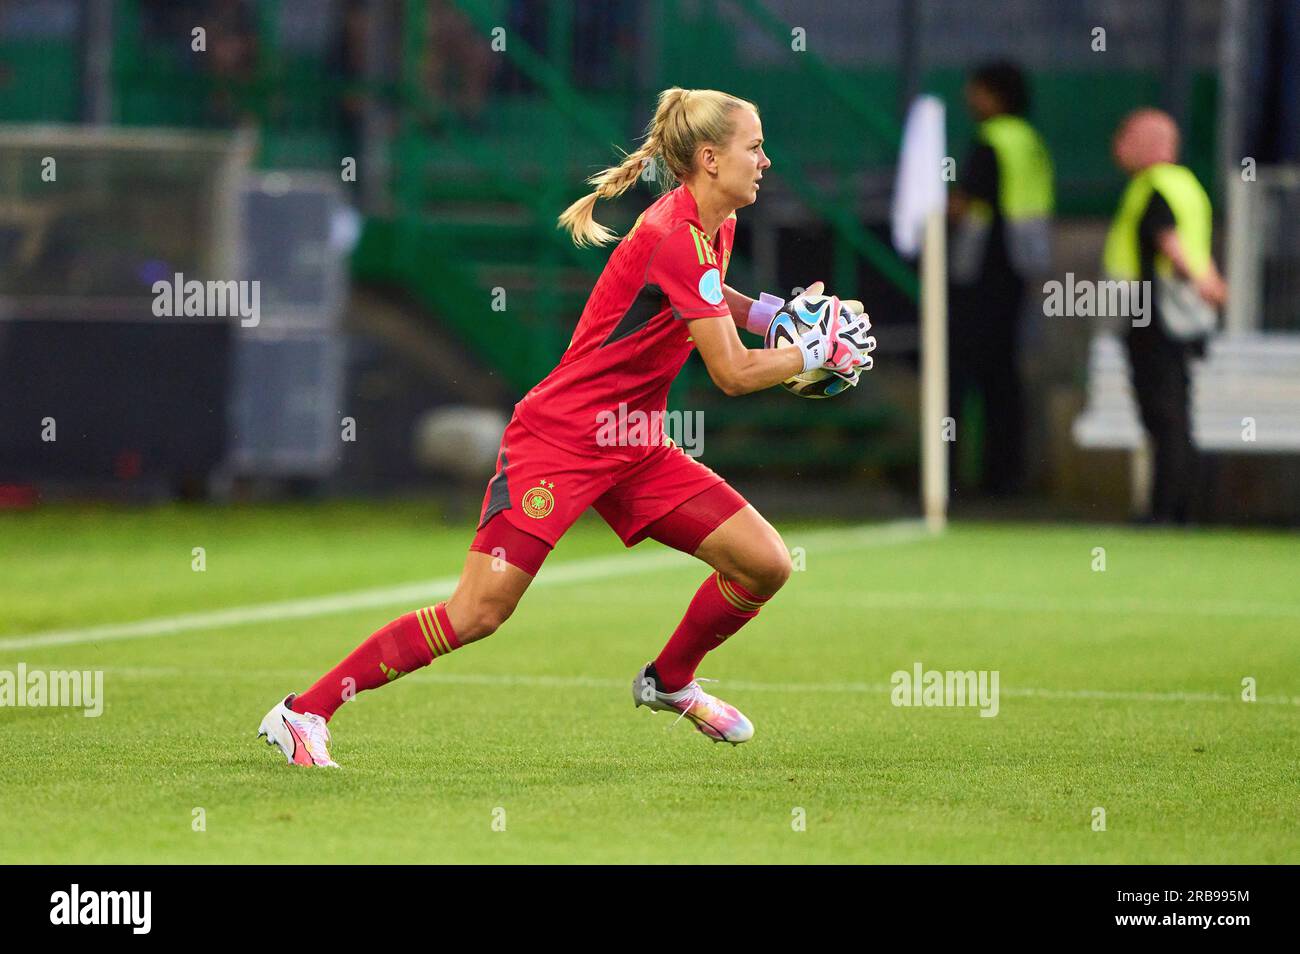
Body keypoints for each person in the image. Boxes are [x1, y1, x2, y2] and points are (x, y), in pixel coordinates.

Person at [258, 87, 875, 766]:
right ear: (709, 158)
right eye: (753, 147)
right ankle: (304, 712)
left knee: (764, 565)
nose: (765, 160)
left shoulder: (713, 223)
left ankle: (669, 682)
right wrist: (813, 350)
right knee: (478, 613)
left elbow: (707, 296)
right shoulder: (676, 235)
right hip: (564, 439)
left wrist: (772, 317)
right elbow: (729, 373)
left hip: (634, 444)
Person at [1104, 108, 1227, 524]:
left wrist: (1202, 281)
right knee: (1173, 411)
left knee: (1164, 413)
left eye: (1126, 136)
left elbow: (1169, 240)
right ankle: (1175, 507)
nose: (1117, 146)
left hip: (1156, 316)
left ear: (1152, 145)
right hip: (1179, 314)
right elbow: (1193, 246)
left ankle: (1169, 510)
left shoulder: (1155, 186)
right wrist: (1208, 281)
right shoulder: (1186, 186)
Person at [948, 61, 1054, 496]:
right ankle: (1005, 476)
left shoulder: (990, 141)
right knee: (1004, 375)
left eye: (976, 90)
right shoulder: (1030, 142)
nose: (969, 99)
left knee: (962, 373)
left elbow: (962, 204)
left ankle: (953, 477)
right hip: (1020, 270)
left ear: (993, 95)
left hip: (983, 273)